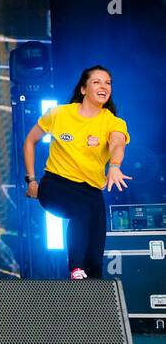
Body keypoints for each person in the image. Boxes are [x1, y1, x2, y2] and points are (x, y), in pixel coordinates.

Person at [23, 64, 130, 279]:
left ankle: (90, 302)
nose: (104, 86)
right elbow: (30, 141)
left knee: (95, 255)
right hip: (55, 185)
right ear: (83, 89)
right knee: (80, 211)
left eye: (108, 83)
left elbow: (117, 144)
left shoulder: (113, 122)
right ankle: (76, 268)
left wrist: (115, 166)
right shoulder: (59, 113)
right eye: (97, 82)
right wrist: (31, 180)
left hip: (91, 192)